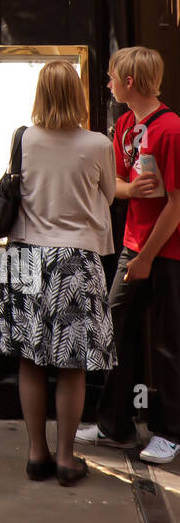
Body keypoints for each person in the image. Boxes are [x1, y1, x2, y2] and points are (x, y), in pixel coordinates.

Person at [0, 61, 116, 485]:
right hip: (76, 260)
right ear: (78, 94)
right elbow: (110, 194)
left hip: (26, 256)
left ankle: (35, 454)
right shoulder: (98, 143)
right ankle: (65, 458)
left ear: (40, 94)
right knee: (73, 364)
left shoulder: (22, 138)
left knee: (31, 359)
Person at [78, 47, 180, 464]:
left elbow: (177, 204)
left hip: (168, 252)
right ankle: (113, 425)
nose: (107, 83)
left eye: (111, 77)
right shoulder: (123, 124)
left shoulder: (171, 129)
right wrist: (129, 192)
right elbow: (115, 184)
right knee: (114, 331)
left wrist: (145, 258)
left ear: (130, 82)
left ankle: (169, 433)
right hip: (133, 246)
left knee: (168, 342)